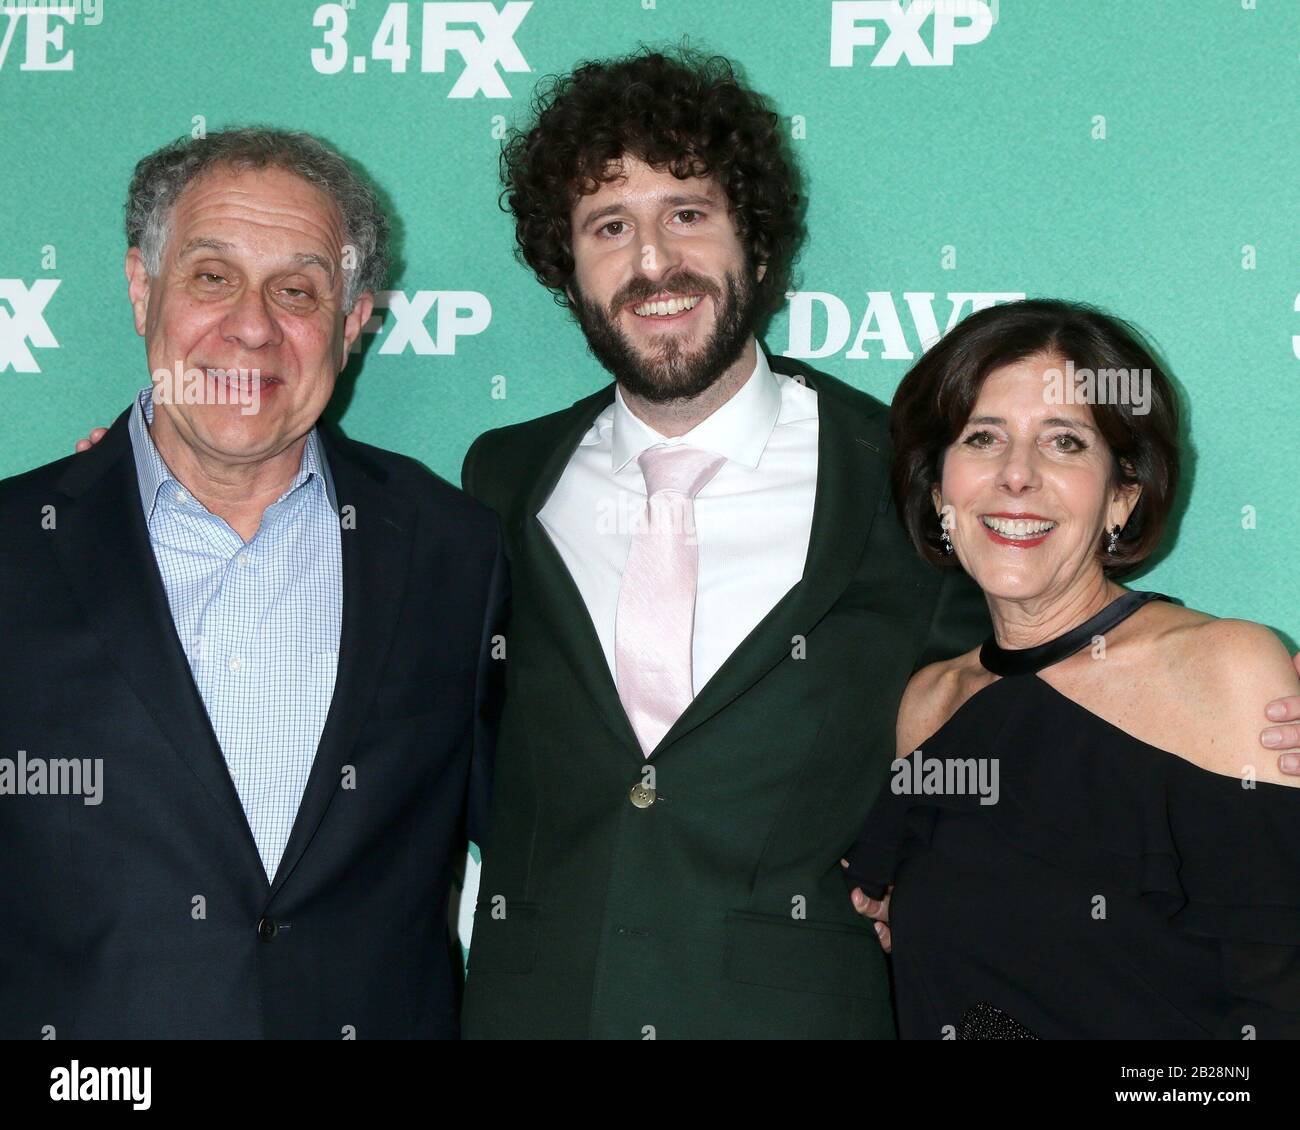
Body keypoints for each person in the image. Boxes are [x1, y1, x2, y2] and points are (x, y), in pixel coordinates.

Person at [456, 48, 1300, 1038]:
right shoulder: (500, 479)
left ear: (758, 247)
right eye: (610, 225)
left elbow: (1057, 716)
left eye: (686, 212)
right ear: (566, 269)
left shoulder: (904, 478)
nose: (652, 261)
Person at [3, 128, 506, 1039]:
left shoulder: (455, 553)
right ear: (140, 289)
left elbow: (548, 845)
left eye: (299, 289)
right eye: (210, 276)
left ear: (353, 323)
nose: (252, 323)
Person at [843, 298, 1300, 1038]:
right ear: (937, 491)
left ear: (1123, 494)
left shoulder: (1226, 670)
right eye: (982, 438)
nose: (1016, 477)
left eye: (1064, 443)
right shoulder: (931, 704)